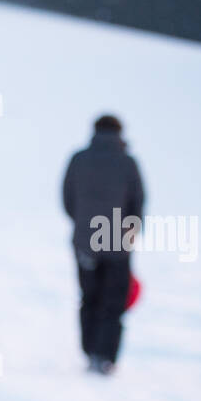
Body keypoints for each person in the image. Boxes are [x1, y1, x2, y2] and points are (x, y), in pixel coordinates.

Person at [62, 114, 145, 375]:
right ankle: (105, 357)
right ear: (120, 133)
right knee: (113, 302)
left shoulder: (78, 159)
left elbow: (67, 198)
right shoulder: (128, 163)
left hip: (85, 242)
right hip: (117, 242)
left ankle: (89, 352)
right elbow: (137, 203)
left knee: (89, 298)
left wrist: (83, 226)